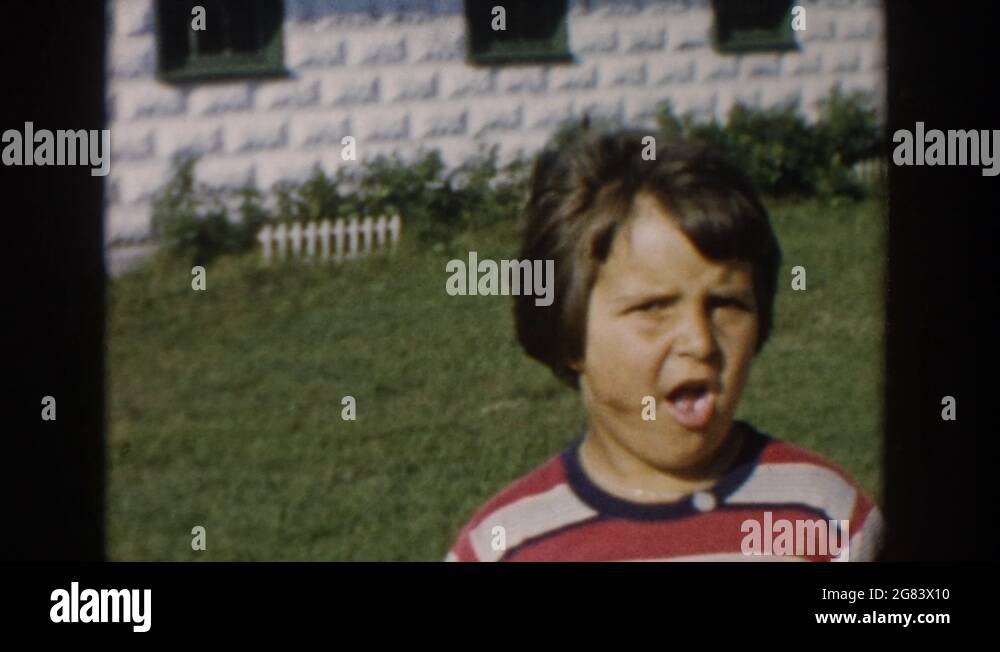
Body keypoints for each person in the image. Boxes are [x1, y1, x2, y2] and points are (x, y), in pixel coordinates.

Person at [445, 128, 884, 561]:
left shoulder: (826, 516)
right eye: (653, 307)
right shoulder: (508, 545)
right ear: (571, 336)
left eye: (725, 303)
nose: (699, 341)